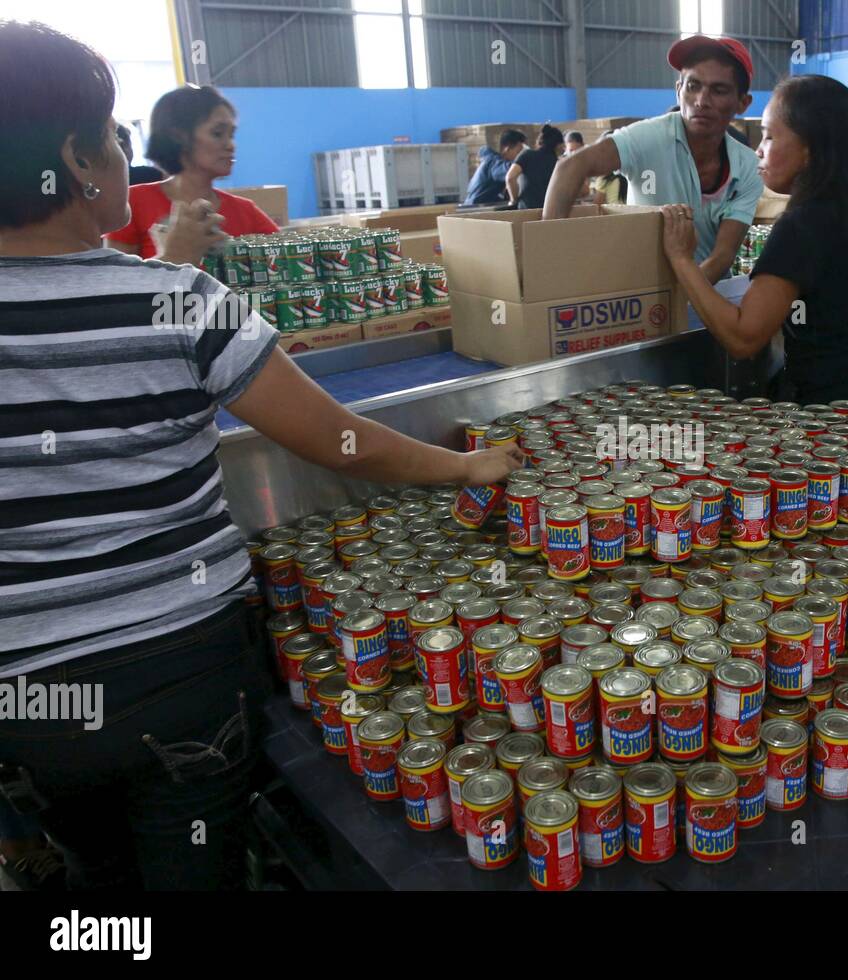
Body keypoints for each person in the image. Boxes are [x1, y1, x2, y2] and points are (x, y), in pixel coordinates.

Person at [0, 20, 524, 891]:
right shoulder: (176, 299)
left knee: (102, 884)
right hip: (175, 679)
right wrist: (466, 467)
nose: (121, 152)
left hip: (29, 705)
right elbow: (337, 441)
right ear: (75, 158)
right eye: (109, 135)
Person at [661, 74, 848, 437]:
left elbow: (744, 338)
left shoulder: (802, 225)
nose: (758, 150)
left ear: (809, 148)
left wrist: (682, 260)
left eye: (768, 135)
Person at [543, 35, 763, 284]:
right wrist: (550, 265)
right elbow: (571, 166)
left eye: (719, 90)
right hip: (640, 288)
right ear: (678, 91)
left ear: (743, 103)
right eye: (693, 86)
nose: (701, 101)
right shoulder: (648, 138)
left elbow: (722, 255)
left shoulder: (747, 167)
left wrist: (680, 303)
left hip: (708, 293)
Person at [105, 85, 278, 266]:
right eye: (217, 133)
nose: (231, 145)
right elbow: (117, 283)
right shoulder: (134, 203)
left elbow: (287, 260)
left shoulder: (245, 212)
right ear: (179, 136)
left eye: (231, 135)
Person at [507, 124, 563, 210]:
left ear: (539, 142)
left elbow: (510, 178)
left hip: (526, 212)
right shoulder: (559, 164)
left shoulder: (527, 155)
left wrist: (514, 200)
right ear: (558, 145)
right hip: (549, 213)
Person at [463, 129, 526, 205]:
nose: (519, 156)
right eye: (518, 152)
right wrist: (527, 159)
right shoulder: (495, 163)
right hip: (476, 209)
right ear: (507, 149)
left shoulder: (491, 160)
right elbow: (509, 172)